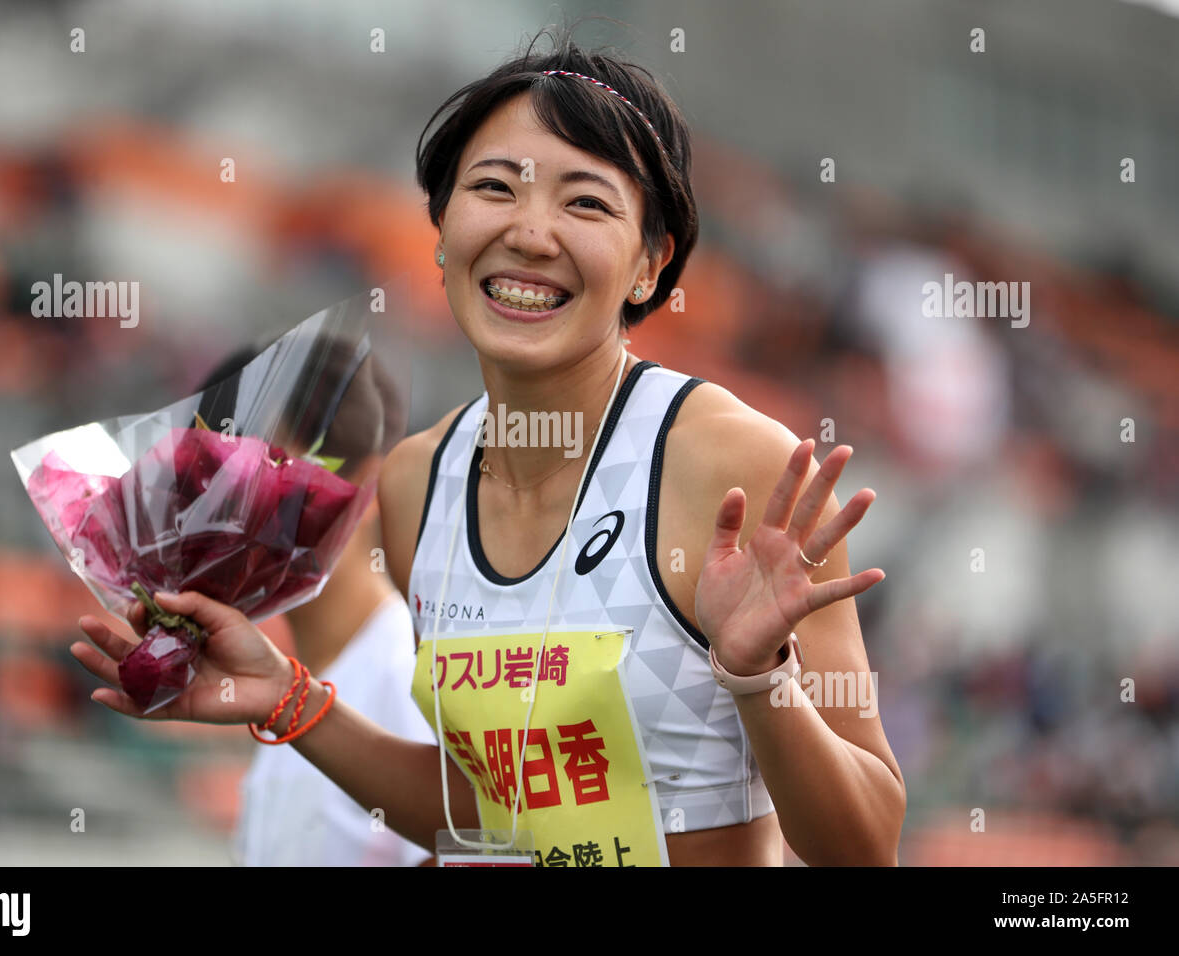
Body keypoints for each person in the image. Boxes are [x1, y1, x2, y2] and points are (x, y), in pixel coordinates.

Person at [73, 24, 905, 866]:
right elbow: (487, 809)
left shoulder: (738, 471)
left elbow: (865, 846)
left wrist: (761, 680)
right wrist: (286, 700)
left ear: (652, 265)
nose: (531, 234)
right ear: (440, 231)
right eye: (496, 188)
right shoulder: (415, 483)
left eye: (585, 202)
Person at [190, 346, 435, 866]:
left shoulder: (412, 678)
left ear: (365, 488)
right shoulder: (279, 684)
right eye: (215, 475)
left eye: (269, 472)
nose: (230, 512)